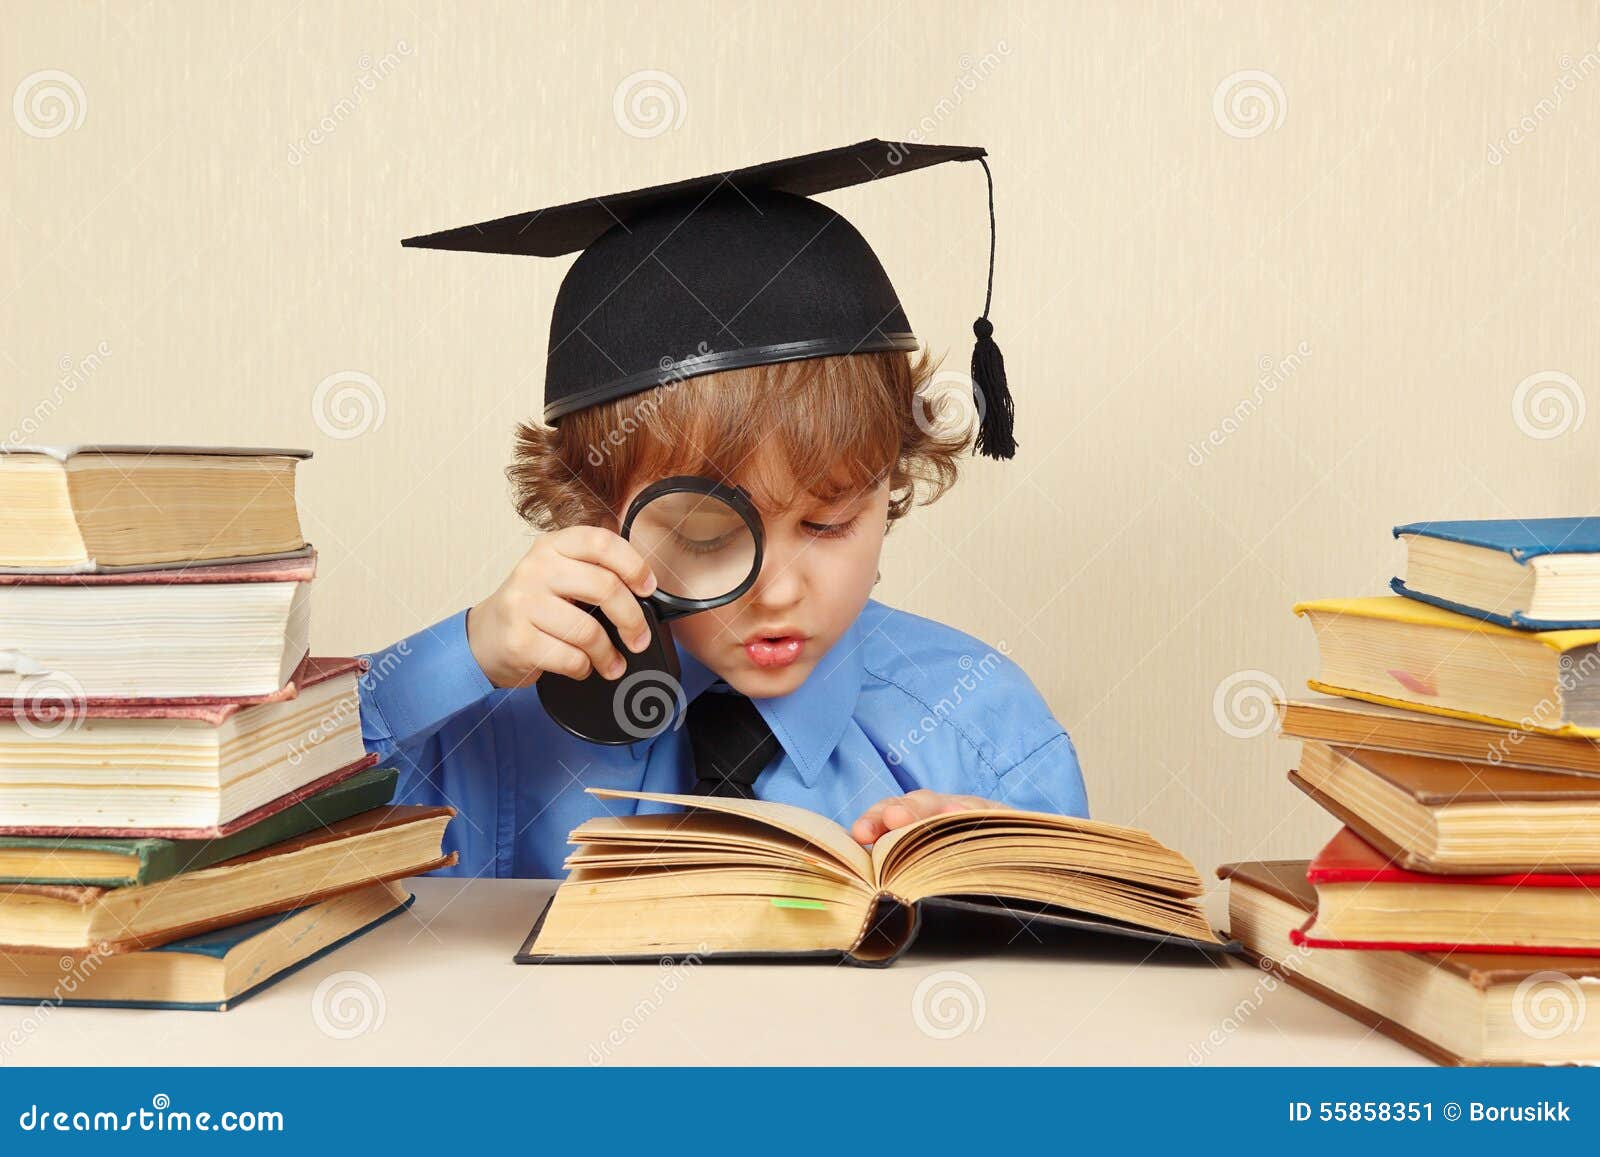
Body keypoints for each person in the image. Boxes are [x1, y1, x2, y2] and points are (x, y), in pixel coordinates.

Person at [360, 140, 1088, 879]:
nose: (778, 590)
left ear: (890, 484)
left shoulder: (982, 732)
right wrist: (468, 651)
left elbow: (1082, 976)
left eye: (829, 523)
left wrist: (1001, 893)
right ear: (599, 519)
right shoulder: (493, 731)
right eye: (704, 537)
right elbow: (273, 832)